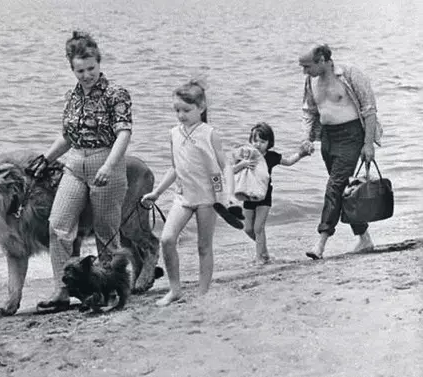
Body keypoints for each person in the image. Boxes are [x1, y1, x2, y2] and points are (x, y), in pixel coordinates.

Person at [32, 31, 133, 311]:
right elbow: (67, 136)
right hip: (75, 164)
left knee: (106, 233)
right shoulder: (72, 96)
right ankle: (62, 292)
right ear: (72, 68)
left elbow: (124, 133)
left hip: (106, 162)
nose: (86, 74)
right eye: (80, 70)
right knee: (58, 225)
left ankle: (109, 292)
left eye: (91, 68)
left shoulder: (116, 94)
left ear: (99, 63)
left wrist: (109, 165)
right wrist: (45, 158)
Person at [141, 78, 235, 306]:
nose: (181, 115)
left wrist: (228, 194)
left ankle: (203, 292)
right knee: (167, 239)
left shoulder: (209, 133)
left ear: (201, 108)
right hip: (182, 197)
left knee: (204, 246)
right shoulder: (173, 133)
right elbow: (175, 167)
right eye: (177, 110)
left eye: (186, 110)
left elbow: (225, 166)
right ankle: (175, 289)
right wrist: (157, 193)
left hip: (207, 197)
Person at [299, 44, 383, 260]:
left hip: (352, 135)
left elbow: (369, 108)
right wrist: (307, 139)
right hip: (328, 138)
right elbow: (309, 111)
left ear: (323, 60)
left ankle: (321, 242)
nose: (304, 72)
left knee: (334, 186)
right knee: (343, 189)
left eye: (308, 66)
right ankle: (364, 238)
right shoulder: (311, 81)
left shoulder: (349, 74)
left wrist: (368, 144)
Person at [234, 122, 312, 265]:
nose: (258, 144)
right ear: (250, 141)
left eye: (262, 141)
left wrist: (301, 154)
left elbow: (288, 162)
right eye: (255, 141)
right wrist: (243, 164)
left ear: (269, 142)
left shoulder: (272, 156)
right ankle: (264, 253)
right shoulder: (247, 155)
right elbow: (231, 170)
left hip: (264, 197)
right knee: (248, 228)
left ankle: (259, 259)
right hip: (247, 195)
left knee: (258, 228)